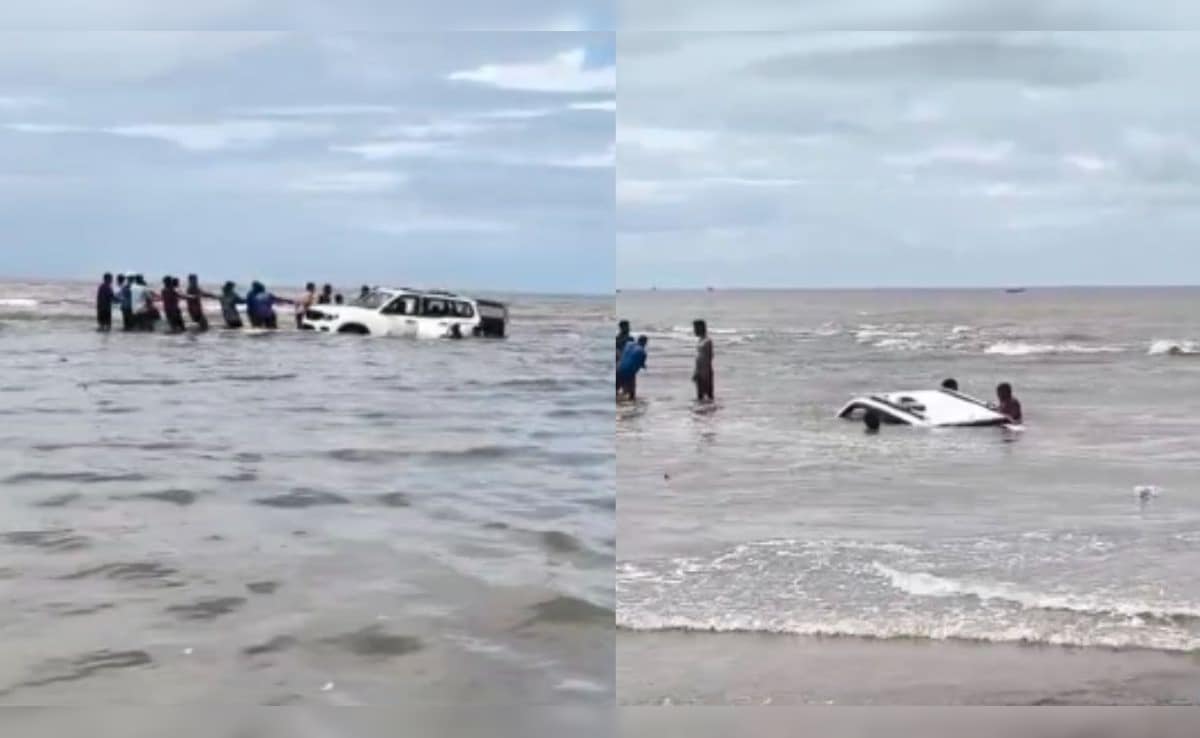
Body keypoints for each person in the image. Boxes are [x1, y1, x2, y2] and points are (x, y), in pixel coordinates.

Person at [616, 335, 649, 401]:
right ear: (645, 342)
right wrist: (644, 366)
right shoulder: (643, 352)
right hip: (629, 373)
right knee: (632, 394)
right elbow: (641, 364)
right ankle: (631, 406)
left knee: (616, 388)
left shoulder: (628, 344)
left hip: (618, 368)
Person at [692, 319, 714, 402]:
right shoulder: (700, 340)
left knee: (708, 395)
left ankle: (709, 412)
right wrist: (696, 371)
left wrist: (704, 373)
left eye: (696, 328)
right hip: (699, 371)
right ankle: (701, 412)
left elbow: (709, 357)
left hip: (705, 371)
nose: (694, 331)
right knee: (700, 396)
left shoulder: (707, 341)